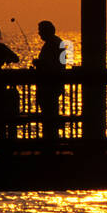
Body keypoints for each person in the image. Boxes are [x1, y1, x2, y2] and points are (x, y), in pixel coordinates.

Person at [33, 20, 65, 148]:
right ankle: (51, 142)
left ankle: (49, 143)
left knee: (49, 116)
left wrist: (39, 64)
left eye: (41, 31)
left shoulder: (52, 44)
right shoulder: (58, 42)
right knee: (51, 115)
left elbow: (53, 66)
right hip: (54, 85)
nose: (39, 33)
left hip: (49, 86)